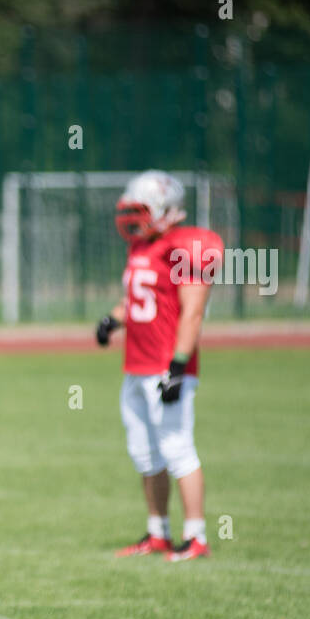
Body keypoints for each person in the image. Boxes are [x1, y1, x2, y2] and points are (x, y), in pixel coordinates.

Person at [96, 171, 221, 562]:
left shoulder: (186, 247)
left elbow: (193, 314)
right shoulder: (140, 248)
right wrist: (112, 320)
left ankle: (196, 536)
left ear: (165, 210)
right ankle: (157, 533)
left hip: (167, 366)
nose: (133, 220)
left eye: (140, 211)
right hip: (136, 365)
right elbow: (137, 302)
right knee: (144, 451)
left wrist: (179, 366)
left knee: (177, 447)